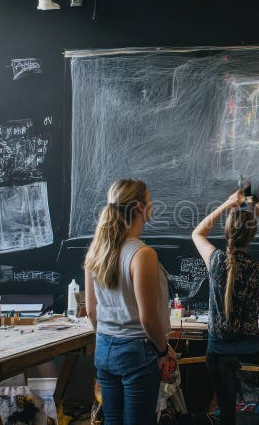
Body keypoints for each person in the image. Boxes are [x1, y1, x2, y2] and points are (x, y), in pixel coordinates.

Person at [191, 190, 259, 425]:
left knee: (227, 413)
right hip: (250, 351)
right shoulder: (258, 270)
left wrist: (226, 204)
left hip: (217, 352)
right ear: (252, 235)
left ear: (227, 232)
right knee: (254, 410)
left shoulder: (215, 261)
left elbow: (197, 233)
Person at [84, 179, 174, 425]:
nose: (152, 205)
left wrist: (108, 339)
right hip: (137, 351)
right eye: (150, 199)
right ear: (138, 207)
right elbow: (148, 318)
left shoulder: (97, 250)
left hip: (104, 348)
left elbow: (91, 311)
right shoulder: (142, 254)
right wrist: (163, 350)